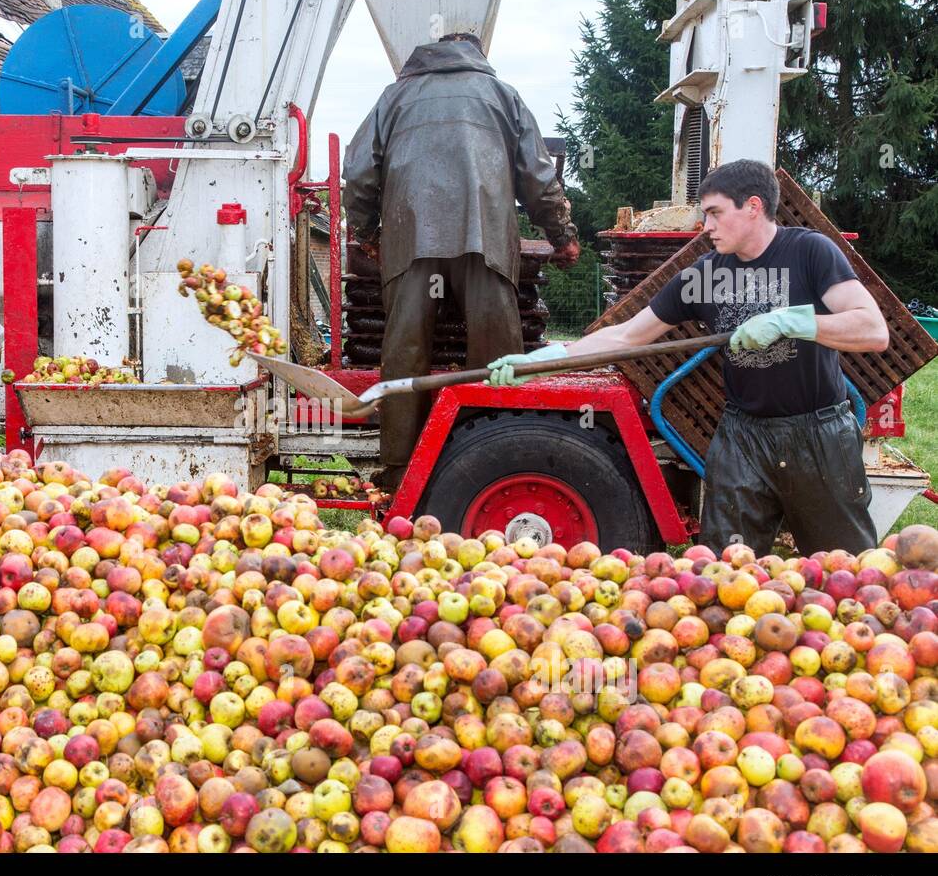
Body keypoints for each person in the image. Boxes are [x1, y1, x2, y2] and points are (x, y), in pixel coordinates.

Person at [487, 159, 889, 555]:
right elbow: (629, 336)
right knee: (727, 570)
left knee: (845, 567)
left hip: (816, 432)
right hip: (743, 436)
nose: (707, 226)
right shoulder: (705, 274)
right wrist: (547, 358)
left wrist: (794, 322)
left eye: (715, 213)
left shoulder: (809, 252)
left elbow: (872, 331)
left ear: (752, 206)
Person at [343, 30, 580, 492]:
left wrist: (368, 230)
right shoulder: (502, 94)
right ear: (478, 55)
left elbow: (359, 173)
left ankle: (397, 470)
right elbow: (537, 174)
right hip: (485, 238)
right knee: (497, 354)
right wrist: (561, 234)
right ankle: (490, 455)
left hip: (410, 241)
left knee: (405, 351)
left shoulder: (395, 96)